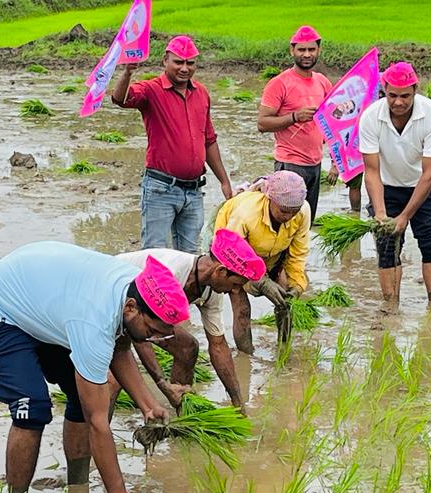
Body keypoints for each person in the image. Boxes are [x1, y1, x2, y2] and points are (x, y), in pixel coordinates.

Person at [0, 243, 188, 493]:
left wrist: (148, 405)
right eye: (152, 331)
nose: (154, 339)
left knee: (81, 401)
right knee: (32, 409)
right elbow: (98, 422)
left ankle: (77, 490)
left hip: (44, 305)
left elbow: (119, 347)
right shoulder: (94, 322)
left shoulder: (134, 288)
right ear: (131, 308)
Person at [115, 229, 266, 409]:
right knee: (112, 380)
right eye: (235, 284)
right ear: (220, 271)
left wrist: (238, 402)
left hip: (135, 316)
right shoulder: (170, 273)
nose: (234, 291)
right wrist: (162, 384)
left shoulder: (211, 292)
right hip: (114, 301)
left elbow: (218, 345)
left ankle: (182, 405)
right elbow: (140, 332)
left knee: (188, 348)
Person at [111, 35, 233, 253]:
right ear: (165, 61)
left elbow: (209, 140)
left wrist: (224, 181)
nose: (184, 68)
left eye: (190, 63)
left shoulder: (202, 93)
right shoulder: (151, 90)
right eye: (178, 62)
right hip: (161, 188)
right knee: (155, 252)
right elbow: (121, 99)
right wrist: (128, 72)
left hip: (194, 190)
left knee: (191, 255)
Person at [358, 61, 431, 305]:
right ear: (384, 91)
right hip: (387, 187)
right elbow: (372, 171)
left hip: (425, 188)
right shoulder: (370, 117)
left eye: (405, 96)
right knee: (386, 248)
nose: (398, 102)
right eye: (392, 95)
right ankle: (391, 308)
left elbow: (429, 173)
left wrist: (405, 216)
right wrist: (380, 213)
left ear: (415, 90)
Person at [212, 171, 311, 353]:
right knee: (242, 309)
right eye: (283, 211)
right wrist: (262, 282)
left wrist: (297, 285)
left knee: (286, 303)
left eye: (294, 212)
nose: (289, 217)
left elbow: (298, 254)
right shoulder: (246, 213)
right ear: (269, 199)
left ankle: (283, 351)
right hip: (232, 256)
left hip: (273, 254)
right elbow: (230, 254)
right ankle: (246, 356)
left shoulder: (303, 211)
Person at [258, 25, 334, 218]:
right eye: (301, 49)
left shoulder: (322, 82)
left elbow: (333, 122)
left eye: (311, 49)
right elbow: (262, 123)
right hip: (290, 164)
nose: (307, 54)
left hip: (315, 164)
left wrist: (336, 161)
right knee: (285, 220)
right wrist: (294, 117)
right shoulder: (279, 83)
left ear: (318, 50)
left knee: (307, 220)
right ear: (292, 50)